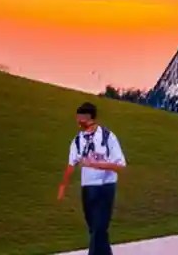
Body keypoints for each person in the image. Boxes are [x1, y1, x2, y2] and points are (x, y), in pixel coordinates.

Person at [56, 102, 127, 255]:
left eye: (80, 118)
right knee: (95, 229)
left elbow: (120, 166)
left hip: (106, 186)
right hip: (88, 188)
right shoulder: (77, 141)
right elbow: (71, 164)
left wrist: (96, 164)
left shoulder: (108, 137)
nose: (77, 121)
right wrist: (63, 186)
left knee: (99, 228)